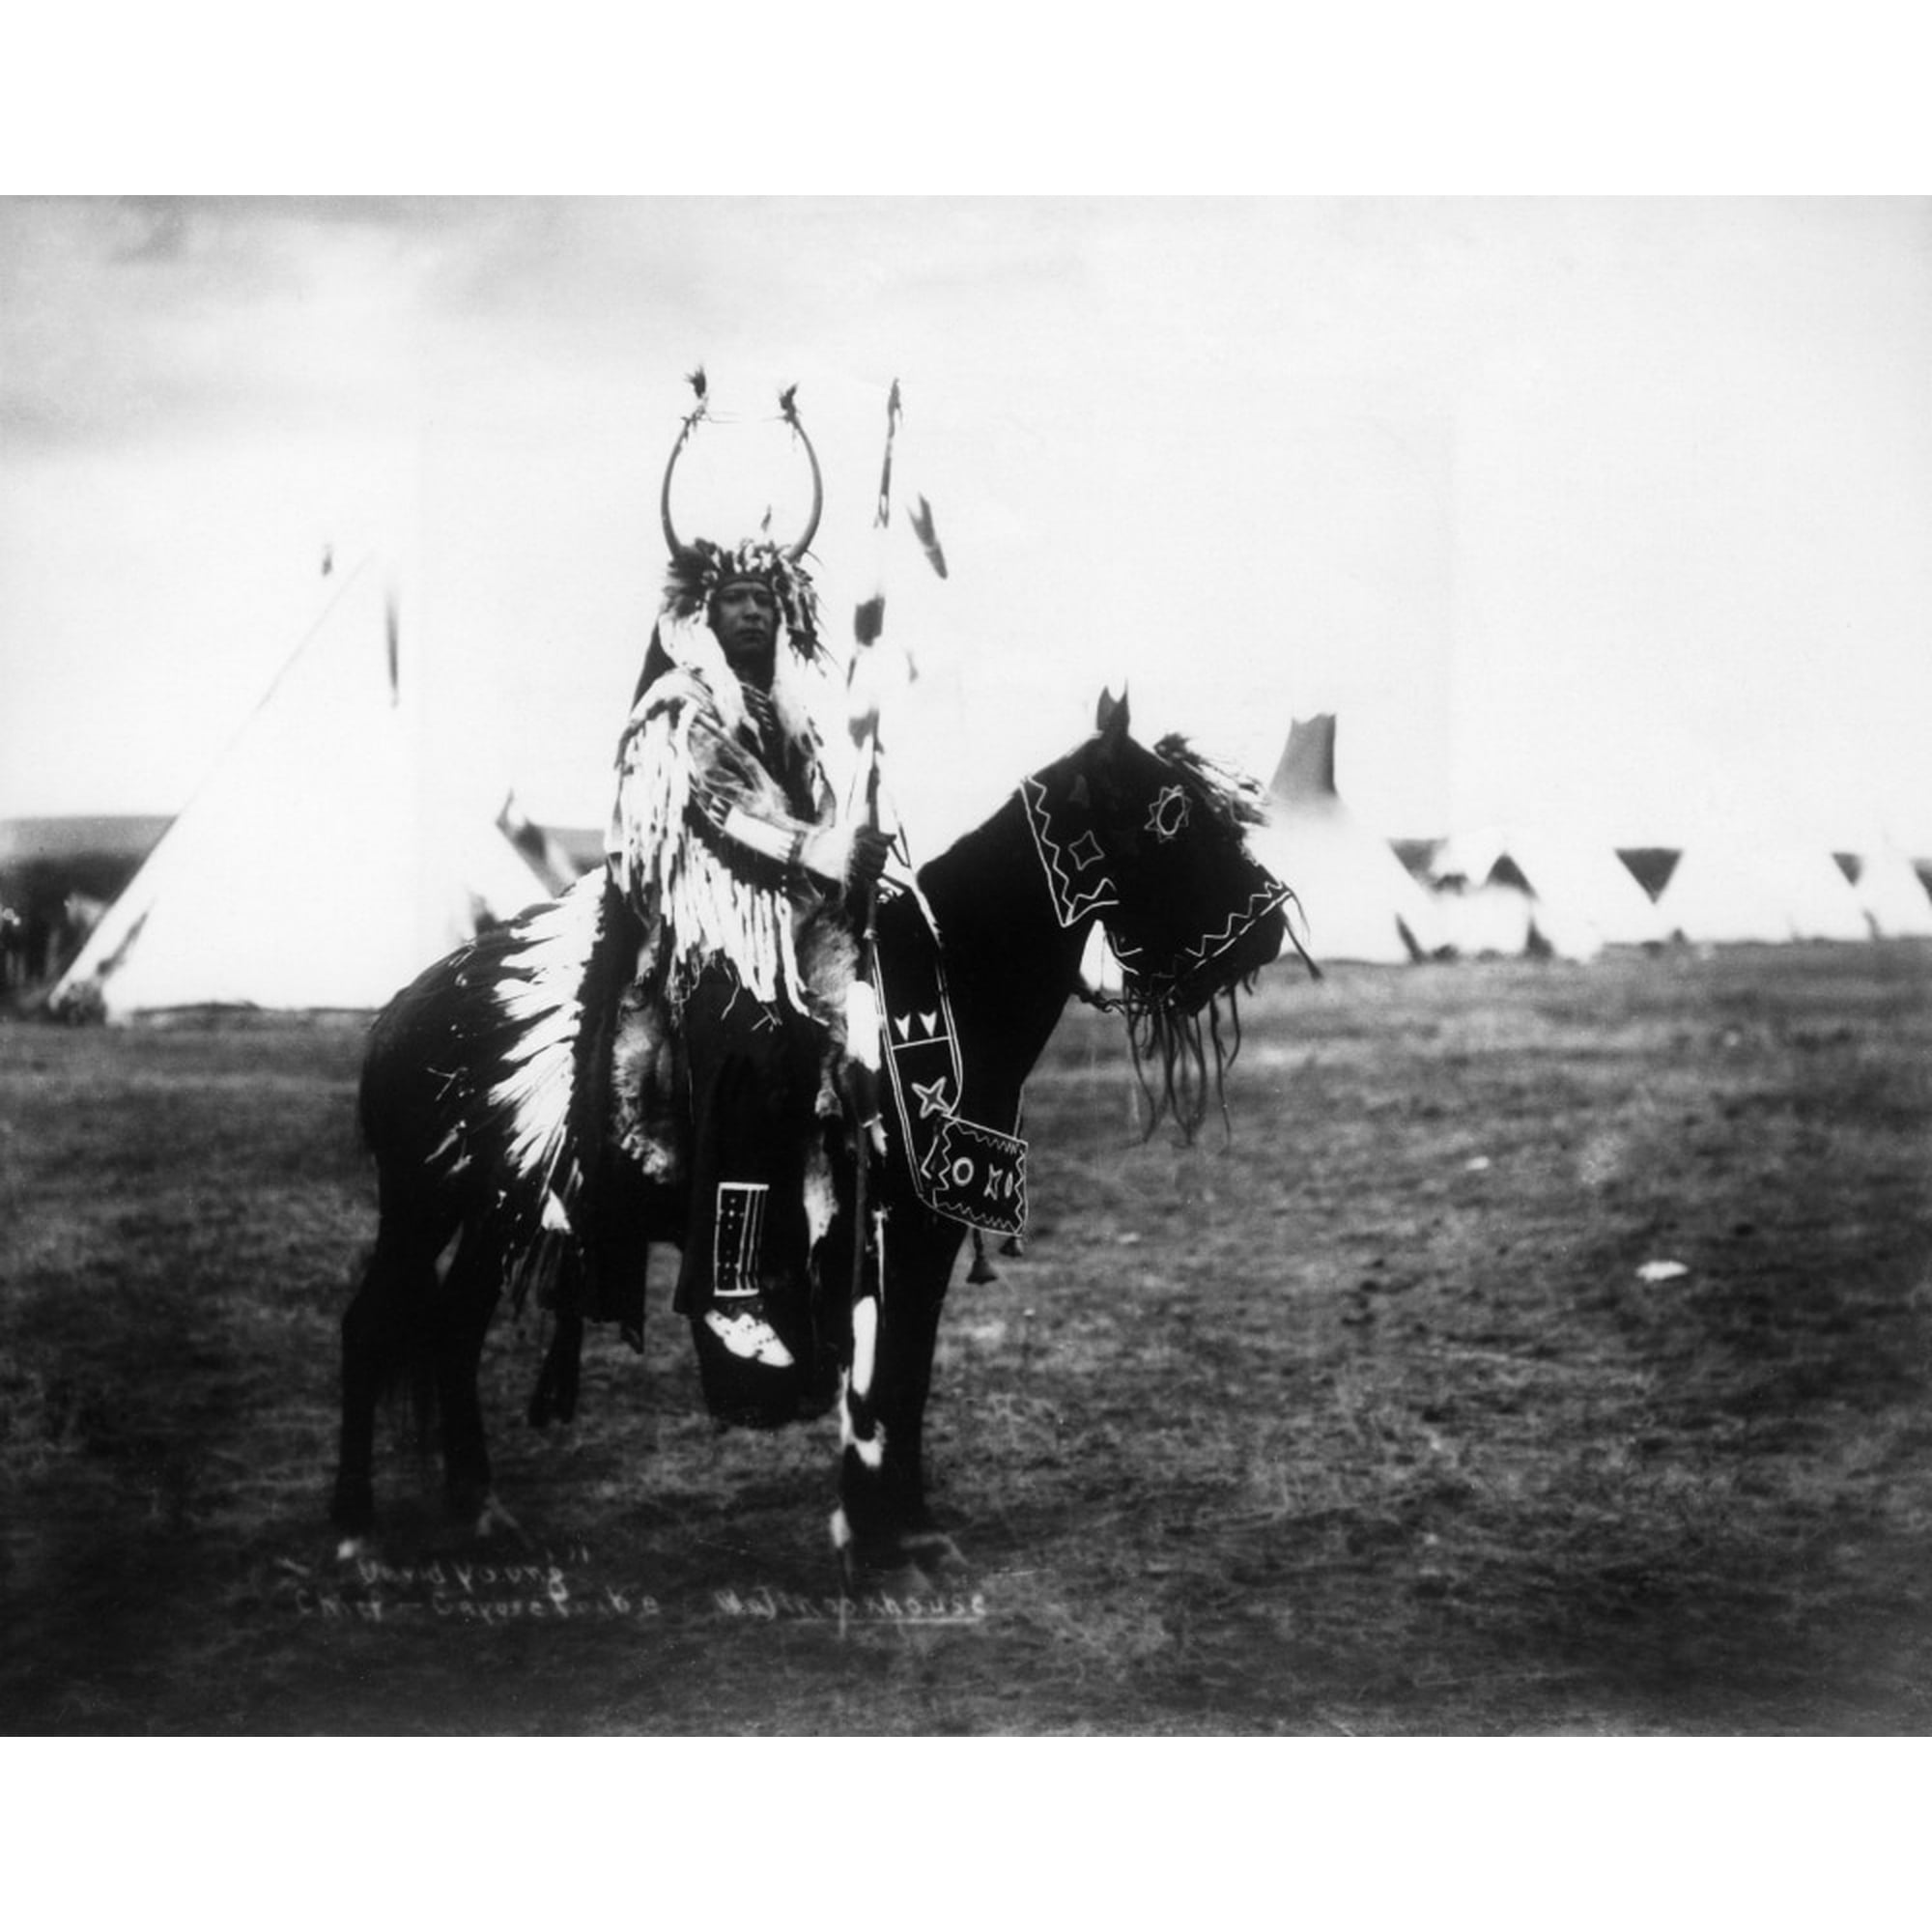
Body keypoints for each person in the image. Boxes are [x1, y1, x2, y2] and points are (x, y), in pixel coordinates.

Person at [606, 530, 892, 1390]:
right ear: (702, 613)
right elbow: (724, 813)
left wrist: (857, 850)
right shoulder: (679, 709)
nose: (757, 612)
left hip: (797, 931)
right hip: (711, 934)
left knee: (871, 1041)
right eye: (738, 600)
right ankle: (727, 1287)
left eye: (768, 602)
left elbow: (820, 813)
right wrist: (824, 851)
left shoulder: (789, 720)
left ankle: (838, 1260)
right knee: (752, 1050)